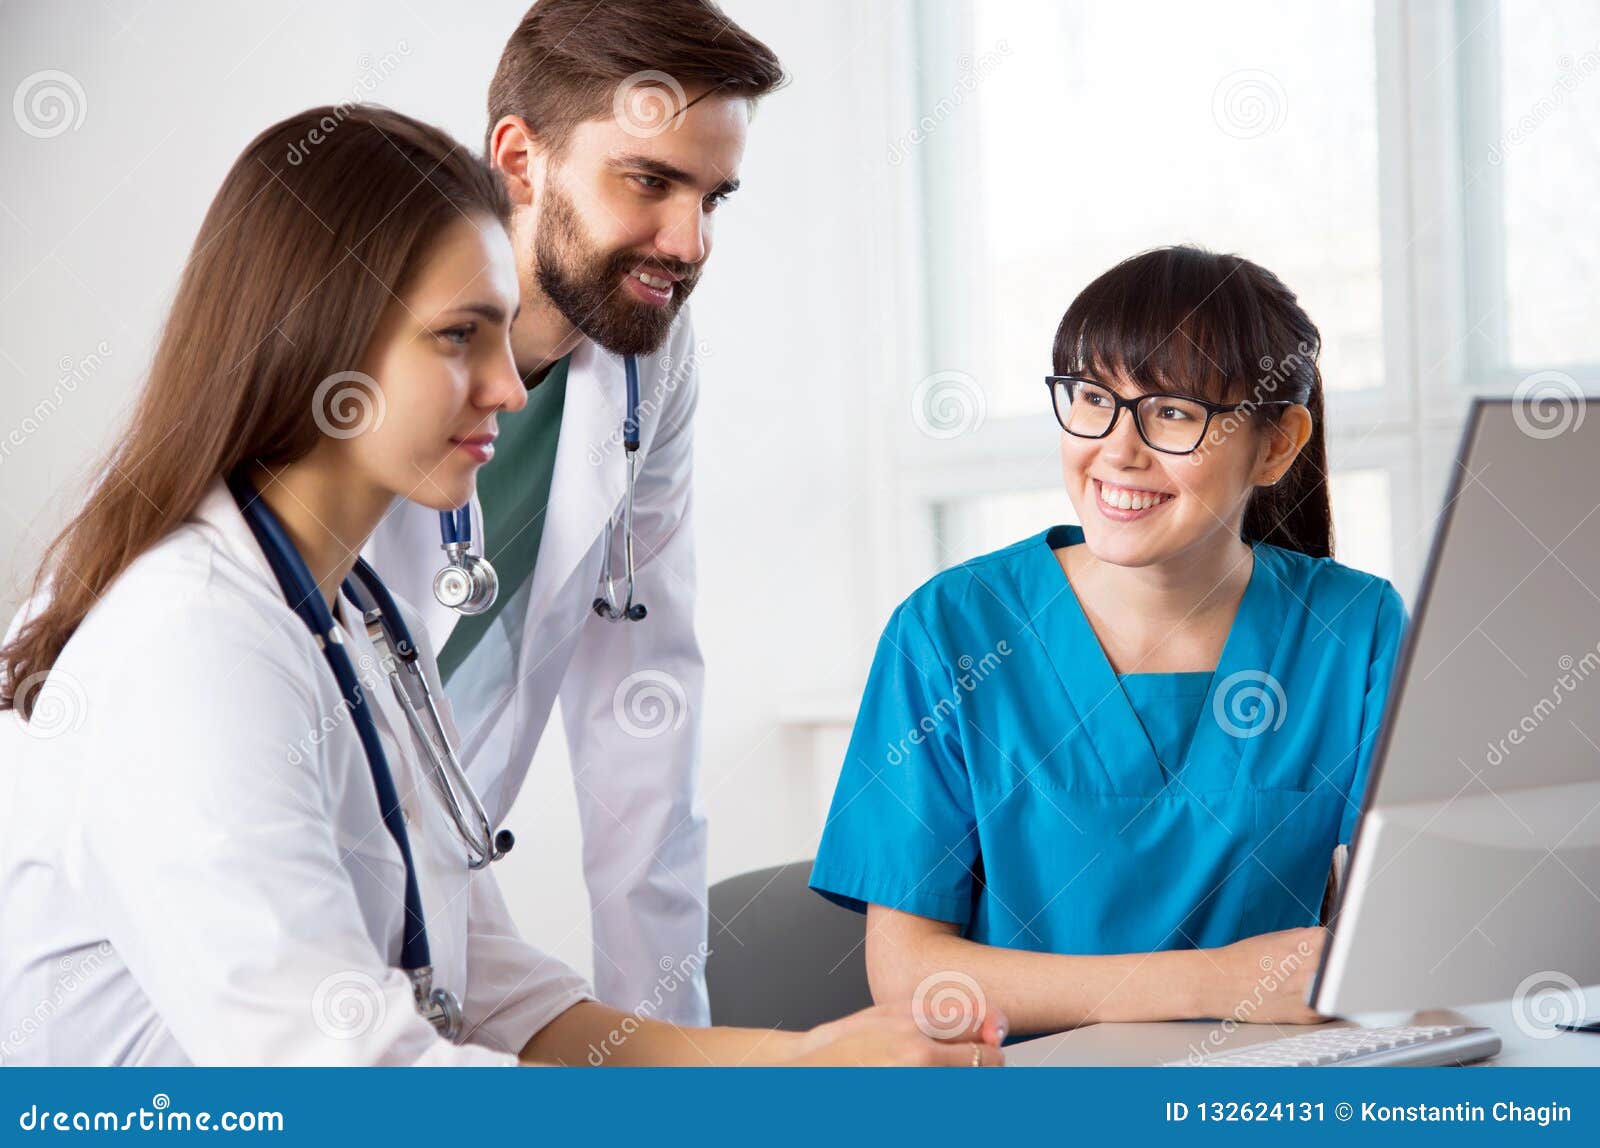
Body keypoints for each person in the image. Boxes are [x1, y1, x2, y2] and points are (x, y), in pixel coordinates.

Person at [0, 105, 1005, 1067]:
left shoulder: (363, 619)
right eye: (458, 336)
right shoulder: (191, 643)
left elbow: (491, 987)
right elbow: (340, 1080)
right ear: (319, 339)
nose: (509, 387)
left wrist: (791, 1059)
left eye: (501, 331)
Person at [809, 246, 1409, 1038]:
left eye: (1172, 411)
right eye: (1093, 397)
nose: (1117, 450)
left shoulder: (1353, 627)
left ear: (1275, 445)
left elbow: (1411, 921)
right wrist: (1212, 981)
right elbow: (911, 975)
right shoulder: (951, 630)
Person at [363, 0, 785, 1026]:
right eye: (650, 180)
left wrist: (672, 1047)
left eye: (714, 198)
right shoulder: (358, 334)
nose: (689, 243)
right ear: (521, 161)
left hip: (421, 877)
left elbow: (642, 712)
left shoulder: (649, 363)